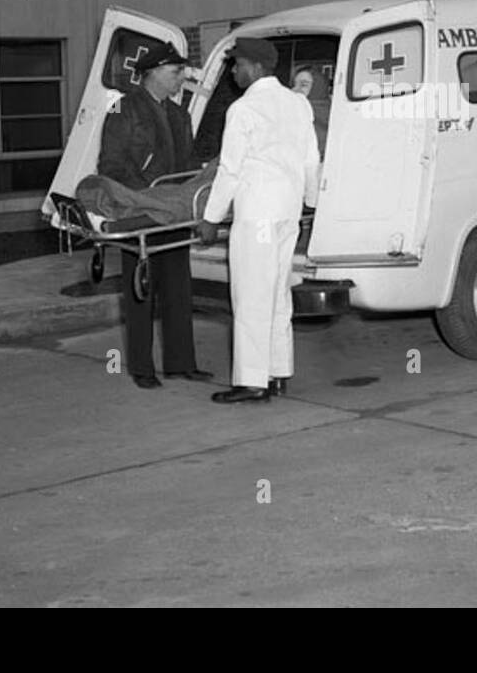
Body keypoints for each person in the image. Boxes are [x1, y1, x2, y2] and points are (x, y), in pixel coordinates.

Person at [197, 38, 320, 404]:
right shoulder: (297, 103)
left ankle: (252, 382)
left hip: (257, 218)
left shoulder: (243, 109)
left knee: (251, 295)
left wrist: (210, 217)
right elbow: (311, 159)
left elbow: (230, 170)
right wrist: (311, 202)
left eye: (237, 65)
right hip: (287, 212)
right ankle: (278, 371)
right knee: (279, 293)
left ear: (255, 66)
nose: (234, 71)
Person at [98, 40, 211, 390]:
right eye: (177, 72)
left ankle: (181, 363)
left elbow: (187, 164)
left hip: (174, 213)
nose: (182, 78)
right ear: (154, 73)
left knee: (179, 289)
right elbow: (110, 165)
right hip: (142, 213)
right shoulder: (122, 110)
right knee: (140, 292)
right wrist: (147, 195)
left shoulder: (179, 115)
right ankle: (142, 368)